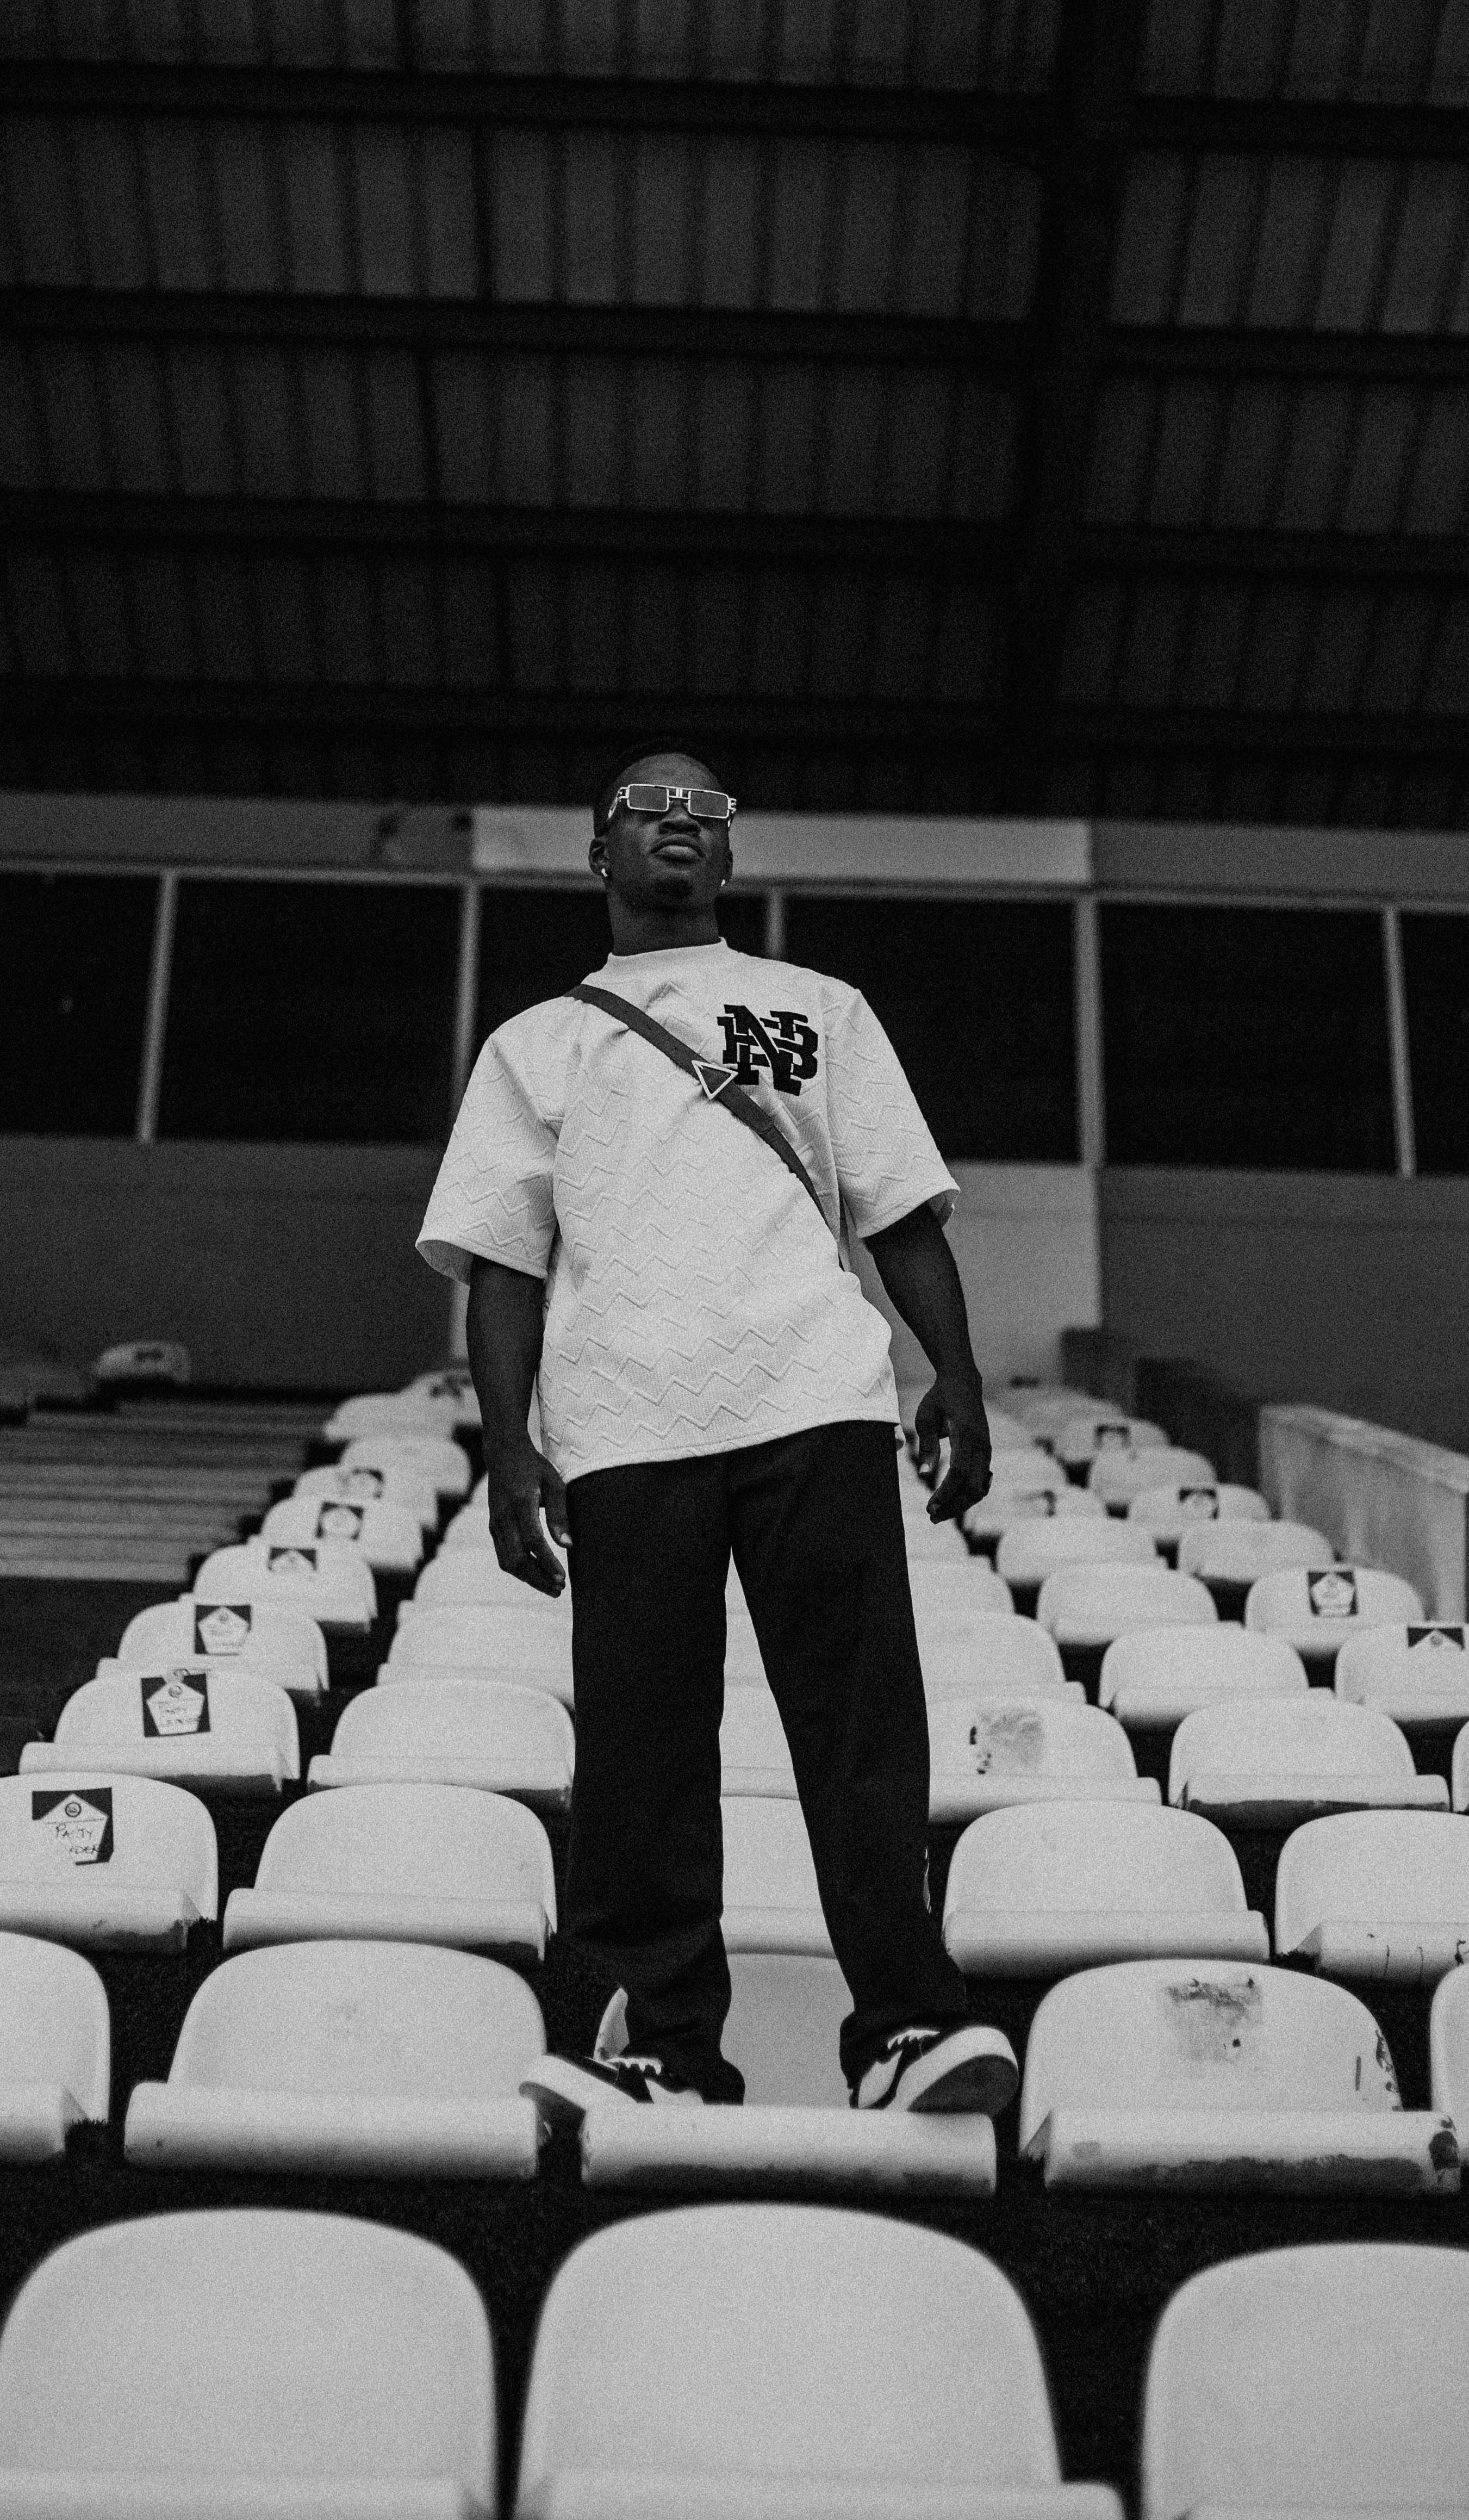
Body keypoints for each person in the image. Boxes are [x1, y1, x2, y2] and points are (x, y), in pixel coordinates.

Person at [416, 741, 1017, 2117]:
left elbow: (903, 1213)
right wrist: (511, 1449)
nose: (677, 824)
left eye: (706, 811)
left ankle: (911, 2033)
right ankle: (662, 2047)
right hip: (629, 1423)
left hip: (815, 1397)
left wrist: (959, 1378)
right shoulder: (539, 1042)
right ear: (600, 856)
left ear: (731, 856)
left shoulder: (821, 1009)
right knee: (643, 1749)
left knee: (863, 1730)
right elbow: (503, 1262)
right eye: (646, 808)